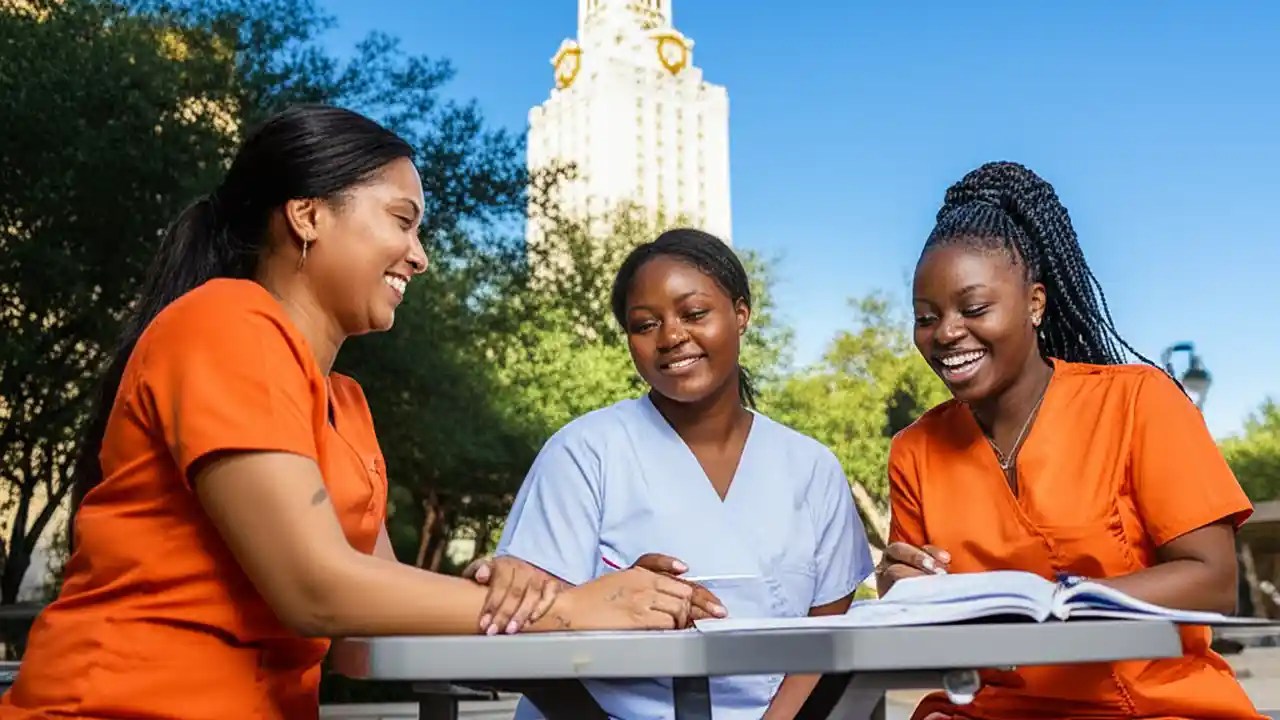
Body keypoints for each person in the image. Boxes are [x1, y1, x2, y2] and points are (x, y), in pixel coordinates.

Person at [0, 105, 694, 720]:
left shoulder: (345, 403)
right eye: (402, 221)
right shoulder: (224, 321)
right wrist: (569, 611)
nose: (419, 257)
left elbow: (374, 611)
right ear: (307, 214)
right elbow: (315, 588)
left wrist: (531, 589)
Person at [880, 160, 1263, 719]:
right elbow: (924, 627)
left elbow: (1212, 580)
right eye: (925, 317)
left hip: (1154, 706)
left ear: (1035, 303)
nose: (946, 334)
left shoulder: (1139, 402)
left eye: (974, 308)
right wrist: (901, 590)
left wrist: (1059, 606)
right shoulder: (916, 449)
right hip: (994, 710)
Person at [470, 228, 875, 720]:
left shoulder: (812, 467)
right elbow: (523, 615)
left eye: (694, 313)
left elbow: (827, 630)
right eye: (645, 324)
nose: (671, 337)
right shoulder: (583, 452)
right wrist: (617, 601)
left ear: (741, 314)